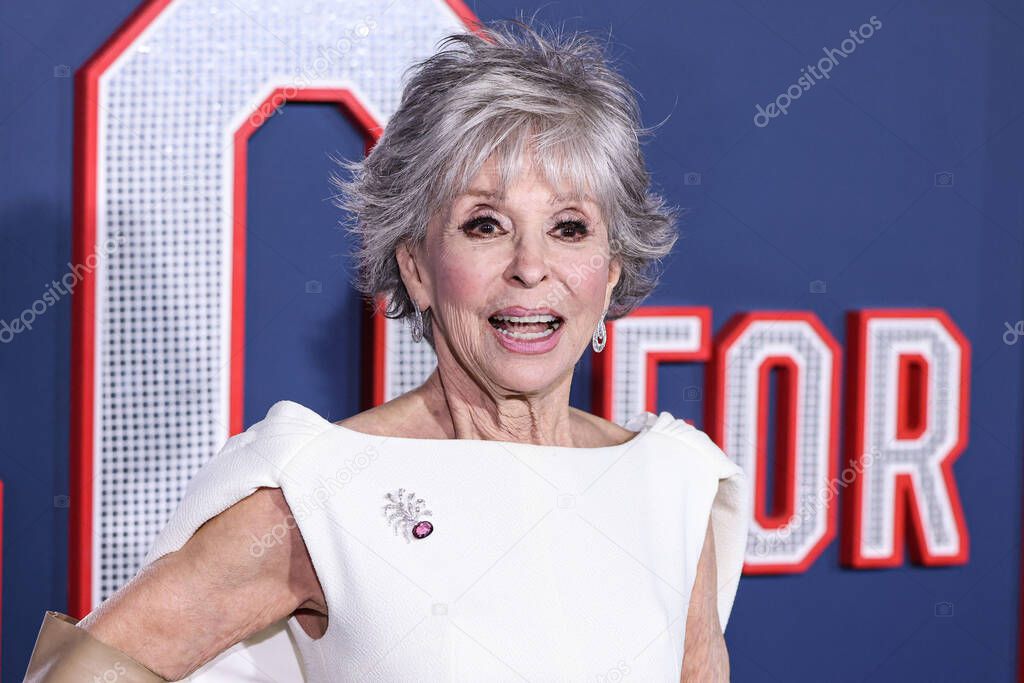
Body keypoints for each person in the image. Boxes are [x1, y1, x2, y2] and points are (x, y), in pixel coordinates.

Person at [24, 17, 749, 682]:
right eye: (485, 224)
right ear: (416, 267)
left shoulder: (670, 484)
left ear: (612, 267)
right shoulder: (322, 491)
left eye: (568, 227)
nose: (532, 267)